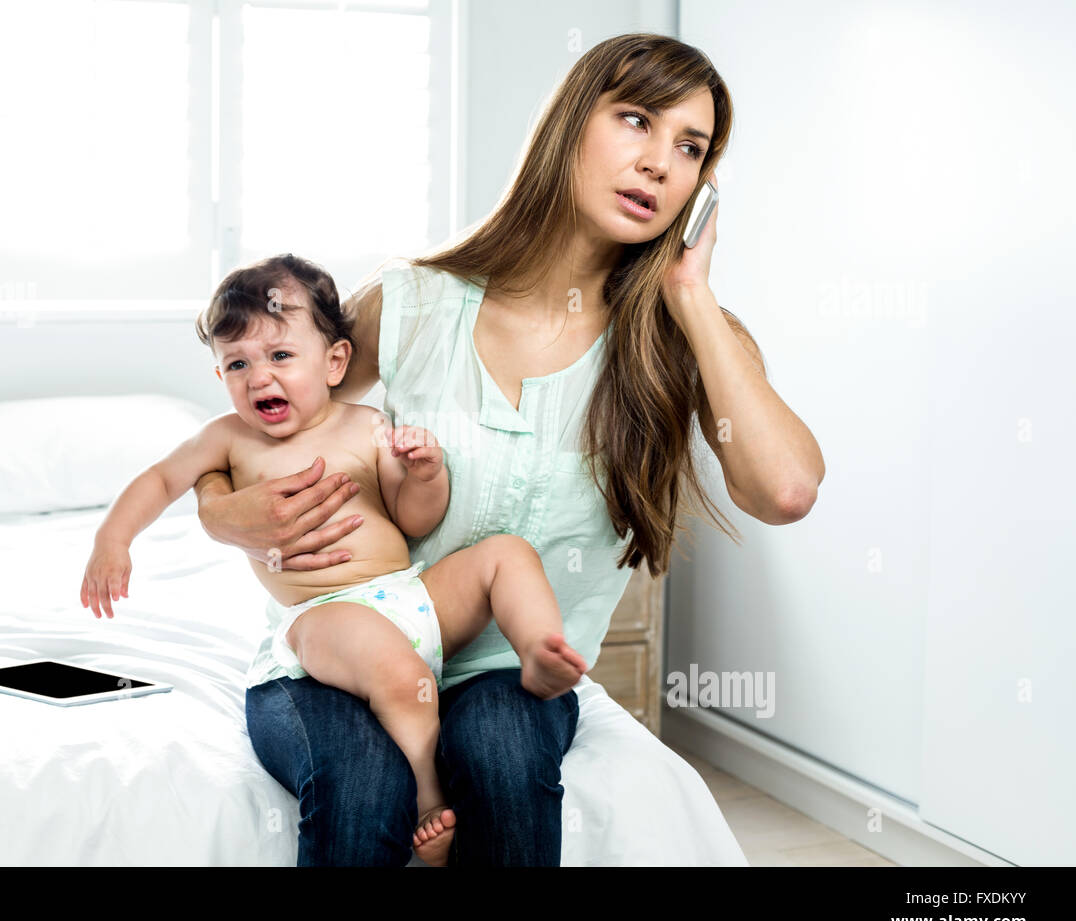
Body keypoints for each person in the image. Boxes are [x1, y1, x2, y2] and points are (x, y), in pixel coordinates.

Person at [192, 33, 825, 866]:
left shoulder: (682, 339)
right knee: (359, 777)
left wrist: (691, 292)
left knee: (497, 744)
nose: (659, 164)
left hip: (507, 673)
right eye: (636, 120)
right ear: (570, 125)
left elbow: (785, 490)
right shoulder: (415, 304)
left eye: (690, 148)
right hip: (355, 648)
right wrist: (221, 513)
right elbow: (263, 410)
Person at [80, 252, 589, 866]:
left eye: (280, 356)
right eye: (237, 363)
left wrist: (427, 474)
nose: (259, 377)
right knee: (406, 679)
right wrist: (113, 539)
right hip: (324, 617)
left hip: (409, 598)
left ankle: (537, 649)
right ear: (219, 376)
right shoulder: (227, 438)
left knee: (506, 554)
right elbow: (161, 480)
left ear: (335, 361)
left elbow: (412, 516)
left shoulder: (367, 424)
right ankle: (431, 800)